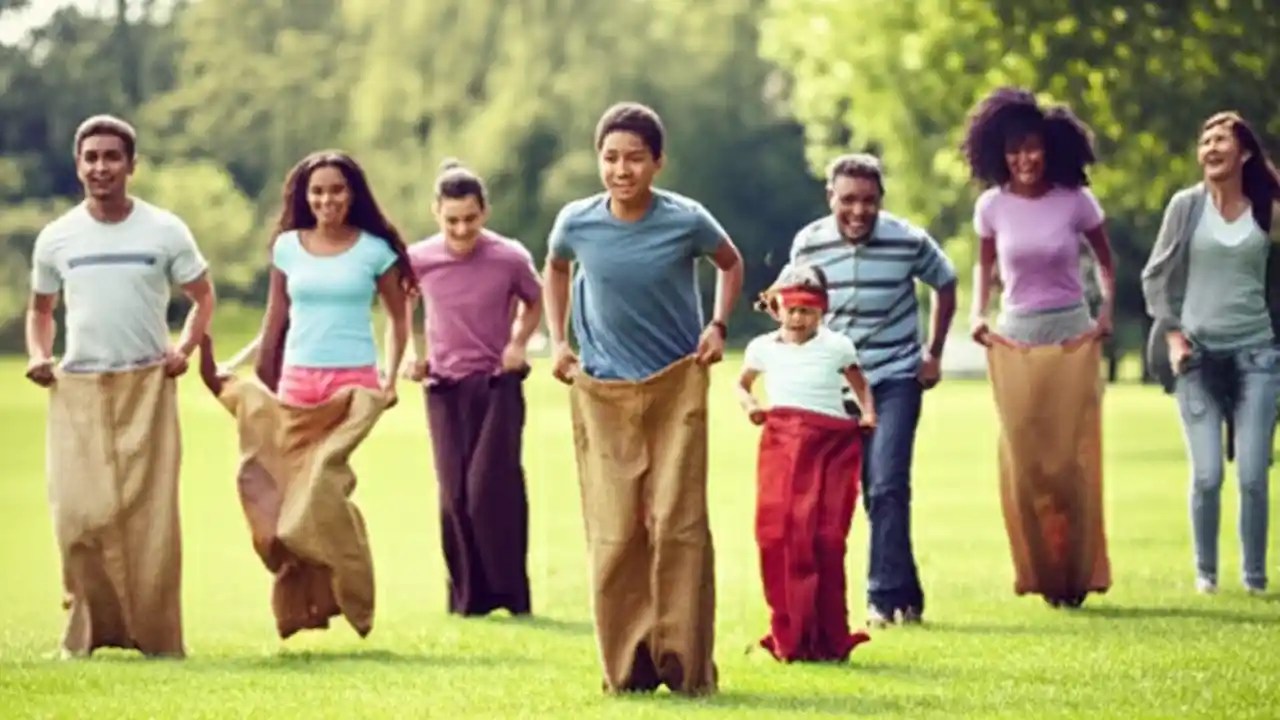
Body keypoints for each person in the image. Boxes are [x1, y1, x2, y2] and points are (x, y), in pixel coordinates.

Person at [543, 101, 744, 695]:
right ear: (597, 160)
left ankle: (686, 666)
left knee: (677, 526)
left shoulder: (687, 219)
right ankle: (628, 669)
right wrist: (558, 341)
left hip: (675, 387)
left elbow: (729, 264)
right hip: (602, 390)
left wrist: (718, 326)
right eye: (610, 157)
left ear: (658, 162)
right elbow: (553, 269)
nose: (621, 169)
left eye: (634, 158)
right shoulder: (575, 222)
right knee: (616, 530)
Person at [25, 114, 216, 658]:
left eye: (112, 157)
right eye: (91, 158)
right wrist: (40, 354)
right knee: (78, 514)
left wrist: (185, 348)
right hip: (78, 388)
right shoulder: (57, 237)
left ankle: (158, 640)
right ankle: (84, 634)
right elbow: (41, 310)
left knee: (150, 521)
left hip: (146, 387)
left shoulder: (165, 230)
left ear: (132, 165)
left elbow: (203, 296)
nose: (101, 167)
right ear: (78, 165)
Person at [784, 153, 957, 628]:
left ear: (881, 200)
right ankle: (902, 594)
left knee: (886, 485)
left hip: (895, 377)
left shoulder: (907, 240)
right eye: (848, 201)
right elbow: (796, 305)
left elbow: (946, 281)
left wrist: (934, 352)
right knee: (829, 495)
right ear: (830, 198)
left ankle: (884, 597)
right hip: (833, 384)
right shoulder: (809, 245)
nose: (858, 212)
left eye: (869, 202)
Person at [962, 87, 1115, 608]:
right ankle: (1040, 573)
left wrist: (1105, 314)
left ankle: (1076, 575)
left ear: (1049, 148)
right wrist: (976, 313)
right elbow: (983, 266)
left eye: (1032, 148)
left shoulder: (1075, 200)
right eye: (1013, 150)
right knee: (1028, 465)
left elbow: (1106, 264)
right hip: (1016, 339)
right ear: (998, 154)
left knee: (1070, 463)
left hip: (1071, 336)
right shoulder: (991, 206)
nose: (1023, 159)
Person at [1142, 111, 1280, 596]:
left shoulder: (1268, 209)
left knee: (1252, 476)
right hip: (1196, 357)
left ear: (1243, 153)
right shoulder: (1186, 206)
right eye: (1205, 140)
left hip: (1258, 356)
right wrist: (1174, 335)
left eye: (1222, 139)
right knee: (1206, 475)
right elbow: (1154, 277)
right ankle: (1206, 574)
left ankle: (1256, 579)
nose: (1211, 147)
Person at [399, 160, 543, 617]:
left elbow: (536, 300)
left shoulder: (508, 257)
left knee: (490, 489)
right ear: (436, 213)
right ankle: (467, 600)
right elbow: (401, 305)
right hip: (443, 387)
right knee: (454, 496)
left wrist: (518, 344)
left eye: (470, 219)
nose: (462, 230)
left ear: (484, 211)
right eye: (452, 220)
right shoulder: (419, 259)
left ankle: (511, 594)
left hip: (497, 385)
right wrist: (411, 352)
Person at [738, 264, 876, 663]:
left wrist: (868, 413)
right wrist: (750, 405)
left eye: (808, 311)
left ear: (822, 313)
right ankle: (790, 635)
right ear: (776, 307)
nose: (798, 318)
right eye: (791, 309)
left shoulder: (837, 346)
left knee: (825, 538)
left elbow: (860, 384)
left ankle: (829, 637)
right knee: (777, 534)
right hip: (781, 441)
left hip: (830, 445)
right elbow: (741, 382)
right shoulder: (762, 348)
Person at [252, 150, 411, 403]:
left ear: (352, 194)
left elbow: (399, 319)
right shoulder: (286, 247)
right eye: (317, 191)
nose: (327, 199)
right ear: (306, 196)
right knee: (293, 445)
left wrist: (390, 381)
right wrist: (263, 369)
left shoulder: (376, 251)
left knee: (338, 445)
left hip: (355, 379)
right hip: (297, 377)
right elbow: (276, 315)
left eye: (337, 190)